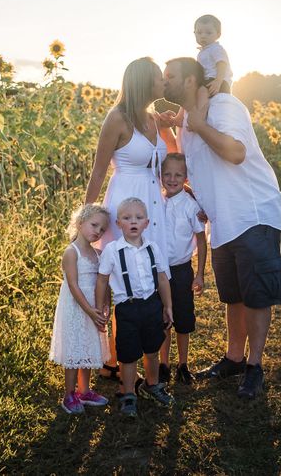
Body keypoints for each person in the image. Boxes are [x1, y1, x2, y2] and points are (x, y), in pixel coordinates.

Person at [162, 57, 281, 400]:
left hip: (252, 212)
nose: (164, 82)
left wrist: (200, 125)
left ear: (190, 80)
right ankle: (234, 358)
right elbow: (190, 167)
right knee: (233, 294)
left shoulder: (224, 105)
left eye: (170, 76)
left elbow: (234, 152)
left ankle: (254, 367)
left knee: (257, 294)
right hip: (222, 219)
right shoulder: (188, 119)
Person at [84, 57, 176, 382]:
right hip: (123, 202)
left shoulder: (153, 119)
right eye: (158, 79)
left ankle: (152, 357)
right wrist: (86, 220)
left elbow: (171, 159)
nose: (164, 83)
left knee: (151, 274)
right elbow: (97, 170)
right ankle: (113, 358)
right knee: (119, 278)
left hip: (153, 206)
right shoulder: (117, 118)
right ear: (142, 82)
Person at [95, 198, 175, 419]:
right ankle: (128, 393)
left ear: (146, 223)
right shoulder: (112, 250)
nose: (133, 222)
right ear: (118, 223)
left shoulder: (153, 248)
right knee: (128, 353)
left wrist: (167, 305)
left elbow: (162, 278)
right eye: (127, 218)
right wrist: (101, 306)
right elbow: (102, 280)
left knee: (152, 348)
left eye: (138, 218)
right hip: (126, 309)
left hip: (151, 305)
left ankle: (153, 384)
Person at [48, 204, 113, 414]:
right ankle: (69, 395)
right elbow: (73, 286)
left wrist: (105, 306)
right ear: (80, 223)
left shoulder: (98, 253)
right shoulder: (71, 252)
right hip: (76, 308)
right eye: (94, 225)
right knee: (75, 349)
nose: (97, 231)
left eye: (102, 229)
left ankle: (84, 391)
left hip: (94, 307)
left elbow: (105, 280)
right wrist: (88, 309)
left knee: (87, 348)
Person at [157, 153, 207, 385]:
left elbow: (200, 239)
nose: (172, 178)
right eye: (167, 174)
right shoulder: (156, 202)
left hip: (181, 271)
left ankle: (183, 365)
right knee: (163, 318)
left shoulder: (191, 206)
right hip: (160, 272)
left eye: (178, 174)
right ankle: (163, 364)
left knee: (183, 319)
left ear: (185, 178)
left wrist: (199, 274)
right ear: (160, 175)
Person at [194, 14, 233, 96]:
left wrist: (218, 82)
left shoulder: (216, 48)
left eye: (208, 33)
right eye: (199, 33)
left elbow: (222, 64)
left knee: (198, 94)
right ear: (194, 33)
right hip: (208, 81)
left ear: (218, 34)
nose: (203, 36)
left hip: (218, 81)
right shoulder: (202, 52)